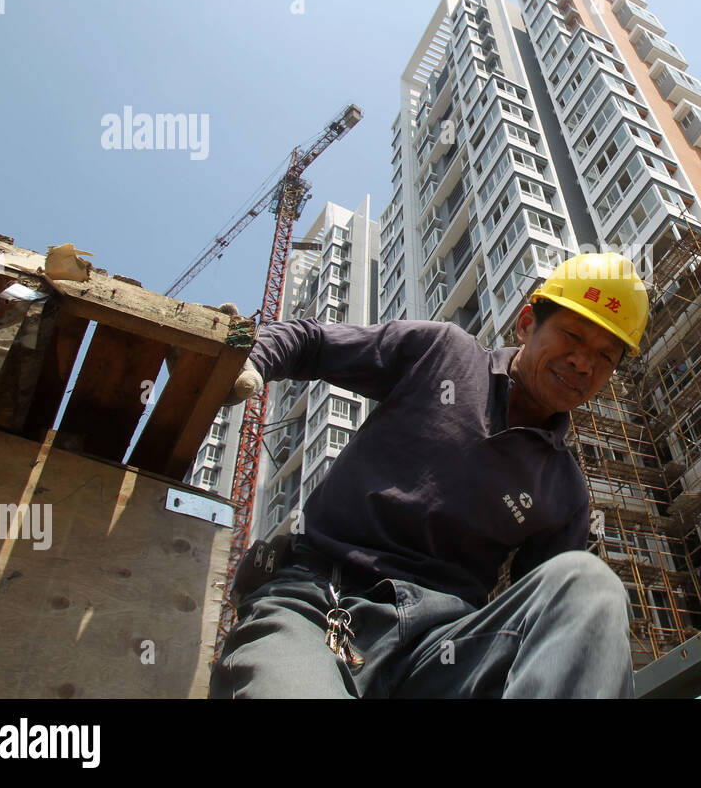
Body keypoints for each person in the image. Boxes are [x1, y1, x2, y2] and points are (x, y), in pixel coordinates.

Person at [208, 251, 649, 698]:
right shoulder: (444, 354)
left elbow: (547, 623)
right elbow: (312, 342)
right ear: (526, 323)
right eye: (573, 336)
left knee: (590, 587)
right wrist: (250, 358)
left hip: (443, 654)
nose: (583, 364)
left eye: (605, 357)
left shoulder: (564, 489)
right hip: (316, 606)